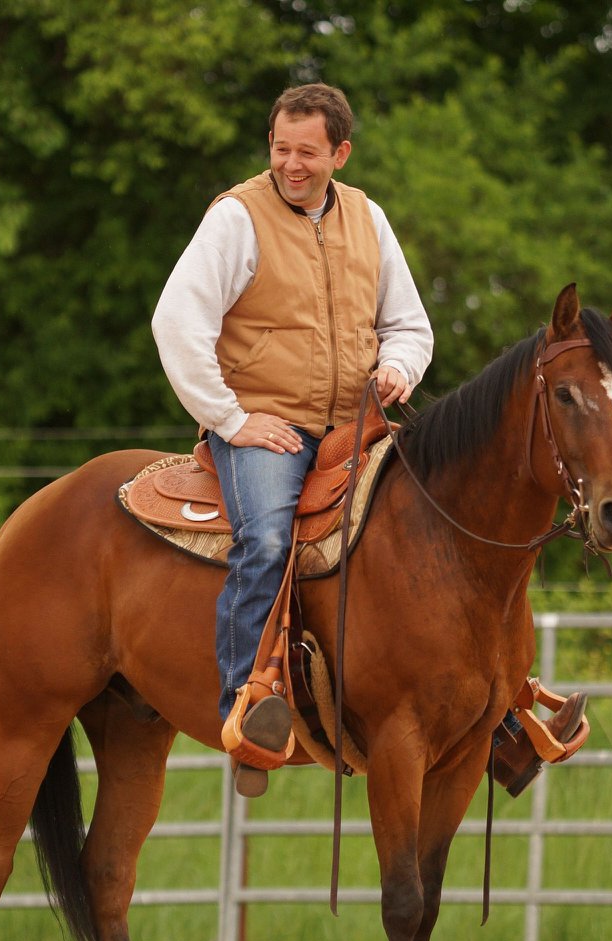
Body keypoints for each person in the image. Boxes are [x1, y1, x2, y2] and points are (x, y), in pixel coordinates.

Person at [152, 83, 434, 797]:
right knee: (268, 542)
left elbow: (408, 324)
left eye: (307, 152)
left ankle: (474, 693)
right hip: (265, 427)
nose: (290, 165)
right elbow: (176, 322)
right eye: (280, 149)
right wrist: (230, 419)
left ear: (339, 152)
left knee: (434, 516)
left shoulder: (367, 217)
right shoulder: (236, 218)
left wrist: (398, 367)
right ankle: (246, 707)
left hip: (354, 427)